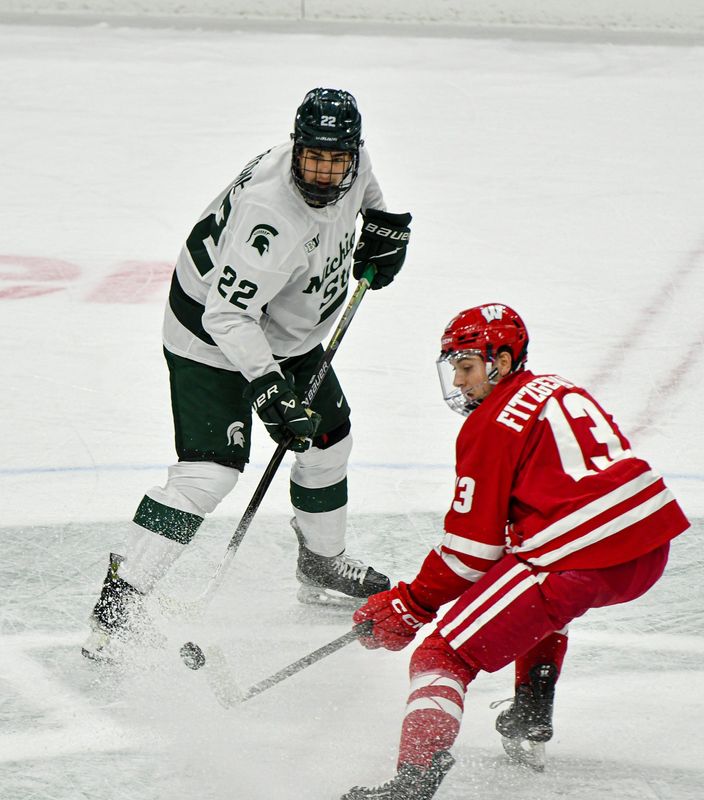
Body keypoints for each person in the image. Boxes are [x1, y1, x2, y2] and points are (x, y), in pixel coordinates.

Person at [82, 88, 412, 660]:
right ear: (296, 146)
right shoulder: (271, 215)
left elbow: (369, 199)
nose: (325, 172)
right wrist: (268, 390)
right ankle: (121, 602)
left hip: (289, 325)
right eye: (313, 158)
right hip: (211, 337)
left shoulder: (350, 166)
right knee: (208, 475)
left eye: (338, 160)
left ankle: (320, 562)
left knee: (329, 442)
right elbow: (227, 314)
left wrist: (383, 228)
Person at [342, 302, 690, 800]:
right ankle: (531, 704)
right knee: (526, 579)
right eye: (454, 368)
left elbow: (469, 552)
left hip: (578, 558)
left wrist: (410, 604)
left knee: (443, 652)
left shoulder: (489, 424)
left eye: (466, 366)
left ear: (501, 362)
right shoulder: (561, 389)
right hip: (649, 545)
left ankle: (412, 781)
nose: (459, 382)